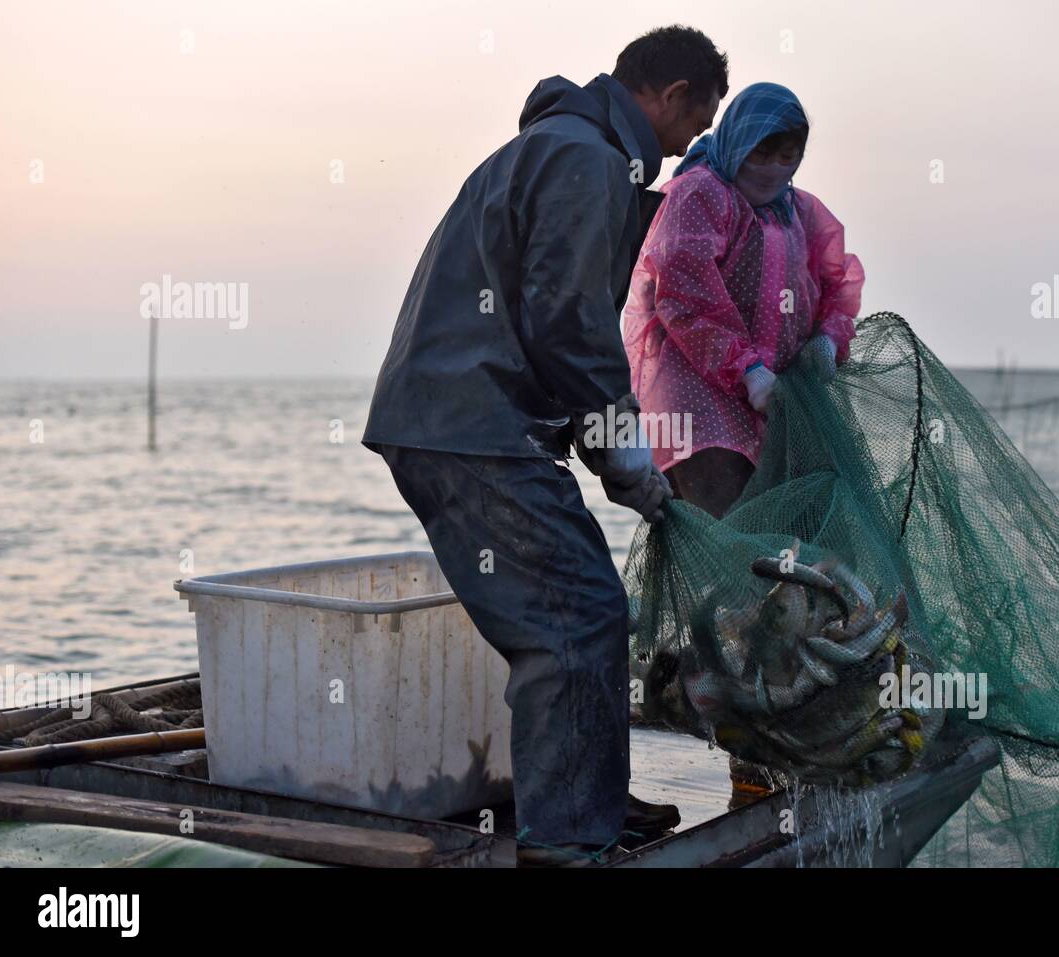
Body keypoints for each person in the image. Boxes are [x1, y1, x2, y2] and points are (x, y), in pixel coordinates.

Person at [361, 26, 727, 868]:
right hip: (468, 422)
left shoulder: (564, 144)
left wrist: (602, 439)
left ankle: (587, 799)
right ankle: (564, 837)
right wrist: (620, 445)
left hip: (463, 414)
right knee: (575, 613)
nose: (692, 144)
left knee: (585, 602)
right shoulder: (585, 157)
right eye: (696, 123)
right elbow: (567, 320)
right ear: (671, 97)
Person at [621, 81, 865, 800]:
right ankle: (750, 753)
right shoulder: (701, 194)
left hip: (770, 408)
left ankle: (786, 737)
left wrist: (828, 340)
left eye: (790, 154)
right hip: (698, 404)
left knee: (792, 574)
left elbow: (839, 285)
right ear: (738, 140)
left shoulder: (802, 213)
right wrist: (745, 365)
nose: (777, 166)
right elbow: (683, 288)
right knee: (742, 567)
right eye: (766, 150)